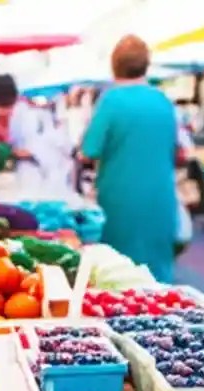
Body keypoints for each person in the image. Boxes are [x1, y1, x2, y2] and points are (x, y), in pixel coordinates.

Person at [80, 35, 179, 283]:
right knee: (158, 276)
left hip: (120, 197)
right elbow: (176, 150)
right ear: (146, 64)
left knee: (119, 275)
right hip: (161, 197)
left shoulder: (111, 101)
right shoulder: (163, 101)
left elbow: (89, 150)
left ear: (114, 64)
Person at [0, 76, 73, 198]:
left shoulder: (27, 114)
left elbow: (32, 148)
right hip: (39, 171)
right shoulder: (25, 111)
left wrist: (12, 152)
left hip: (38, 173)